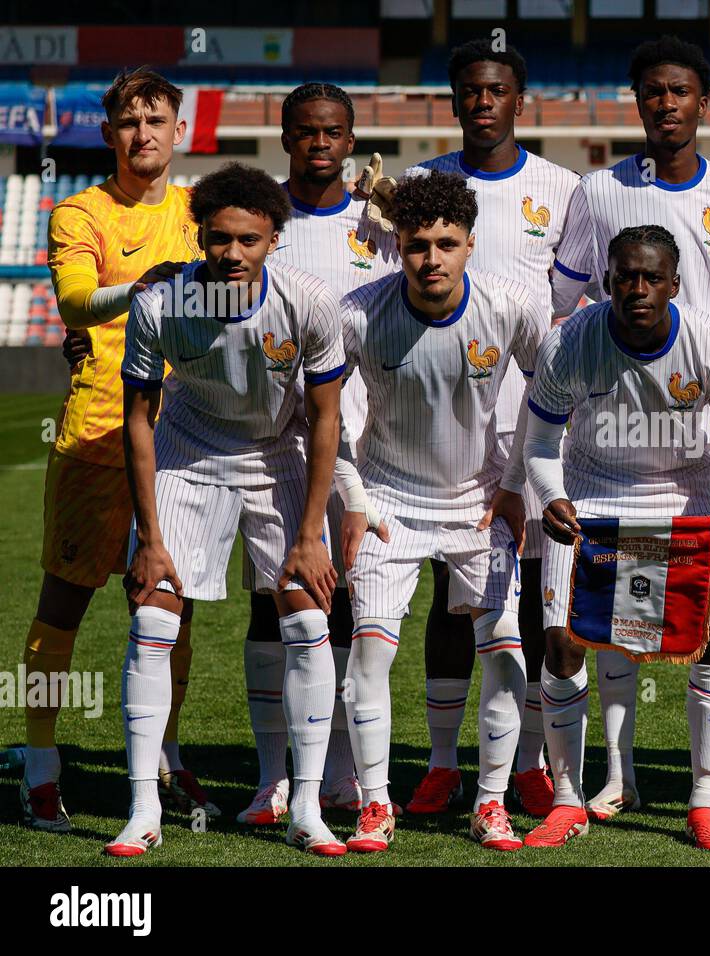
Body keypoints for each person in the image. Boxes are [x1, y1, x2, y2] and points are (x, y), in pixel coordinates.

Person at [550, 34, 710, 820]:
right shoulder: (599, 191)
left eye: (680, 91)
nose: (666, 104)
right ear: (637, 102)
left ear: (702, 103)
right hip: (616, 427)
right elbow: (566, 292)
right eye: (652, 92)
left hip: (709, 429)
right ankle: (619, 771)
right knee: (625, 609)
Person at [109, 162, 346, 856]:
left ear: (275, 237)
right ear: (200, 236)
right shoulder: (159, 304)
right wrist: (149, 537)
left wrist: (311, 535)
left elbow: (326, 422)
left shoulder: (309, 301)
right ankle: (143, 807)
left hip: (278, 454)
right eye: (218, 239)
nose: (232, 254)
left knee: (306, 618)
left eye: (248, 240)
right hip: (190, 450)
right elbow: (139, 422)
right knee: (153, 612)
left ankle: (304, 804)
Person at [523, 225, 710, 850]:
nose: (637, 287)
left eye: (652, 277)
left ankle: (703, 800)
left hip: (685, 502)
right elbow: (541, 444)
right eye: (625, 275)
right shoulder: (569, 343)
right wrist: (551, 497)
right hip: (592, 500)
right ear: (606, 279)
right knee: (563, 644)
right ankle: (569, 799)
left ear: (674, 285)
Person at [338, 171, 549, 852]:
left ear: (470, 245)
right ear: (396, 245)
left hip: (480, 504)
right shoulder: (358, 314)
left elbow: (553, 391)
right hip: (388, 501)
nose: (431, 259)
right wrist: (353, 499)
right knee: (367, 659)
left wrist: (516, 483)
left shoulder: (509, 306)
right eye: (417, 245)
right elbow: (319, 418)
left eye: (446, 244)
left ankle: (490, 803)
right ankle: (375, 805)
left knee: (506, 654)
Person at [395, 39, 578, 818]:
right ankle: (441, 763)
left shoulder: (562, 188)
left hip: (536, 425)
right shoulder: (416, 185)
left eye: (496, 89)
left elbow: (578, 299)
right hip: (446, 425)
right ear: (454, 99)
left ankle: (527, 762)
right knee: (453, 593)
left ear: (518, 99)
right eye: (468, 90)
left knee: (536, 598)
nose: (482, 102)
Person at [26, 67, 208, 833]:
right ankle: (40, 766)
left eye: (156, 119)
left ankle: (164, 755)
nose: (143, 133)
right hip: (99, 433)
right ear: (109, 135)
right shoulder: (81, 211)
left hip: (185, 440)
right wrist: (148, 286)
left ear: (179, 131)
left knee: (175, 607)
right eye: (129, 121)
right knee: (61, 604)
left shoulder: (203, 212)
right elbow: (72, 301)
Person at [237, 82, 403, 826]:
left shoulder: (382, 225)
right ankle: (273, 776)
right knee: (272, 606)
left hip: (365, 443)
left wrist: (401, 213)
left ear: (350, 136)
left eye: (332, 132)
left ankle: (337, 768)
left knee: (349, 605)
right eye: (305, 132)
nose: (318, 144)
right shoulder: (257, 218)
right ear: (284, 135)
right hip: (271, 443)